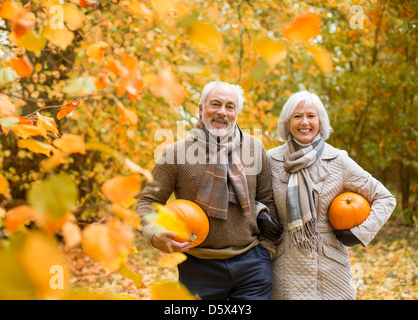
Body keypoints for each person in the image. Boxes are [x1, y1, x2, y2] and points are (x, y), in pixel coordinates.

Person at [136, 81, 283, 300]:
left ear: (236, 113)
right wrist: (153, 234)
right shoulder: (175, 154)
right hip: (197, 266)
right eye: (215, 104)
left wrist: (266, 249)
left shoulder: (254, 148)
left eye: (230, 106)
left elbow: (267, 200)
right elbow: (146, 202)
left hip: (252, 262)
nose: (222, 112)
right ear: (201, 109)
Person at [266, 90, 396, 300]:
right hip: (287, 265)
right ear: (287, 122)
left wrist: (360, 232)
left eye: (311, 116)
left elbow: (385, 198)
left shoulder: (338, 160)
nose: (304, 122)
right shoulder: (271, 160)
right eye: (297, 116)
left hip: (331, 267)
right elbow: (252, 199)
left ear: (320, 121)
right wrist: (261, 213)